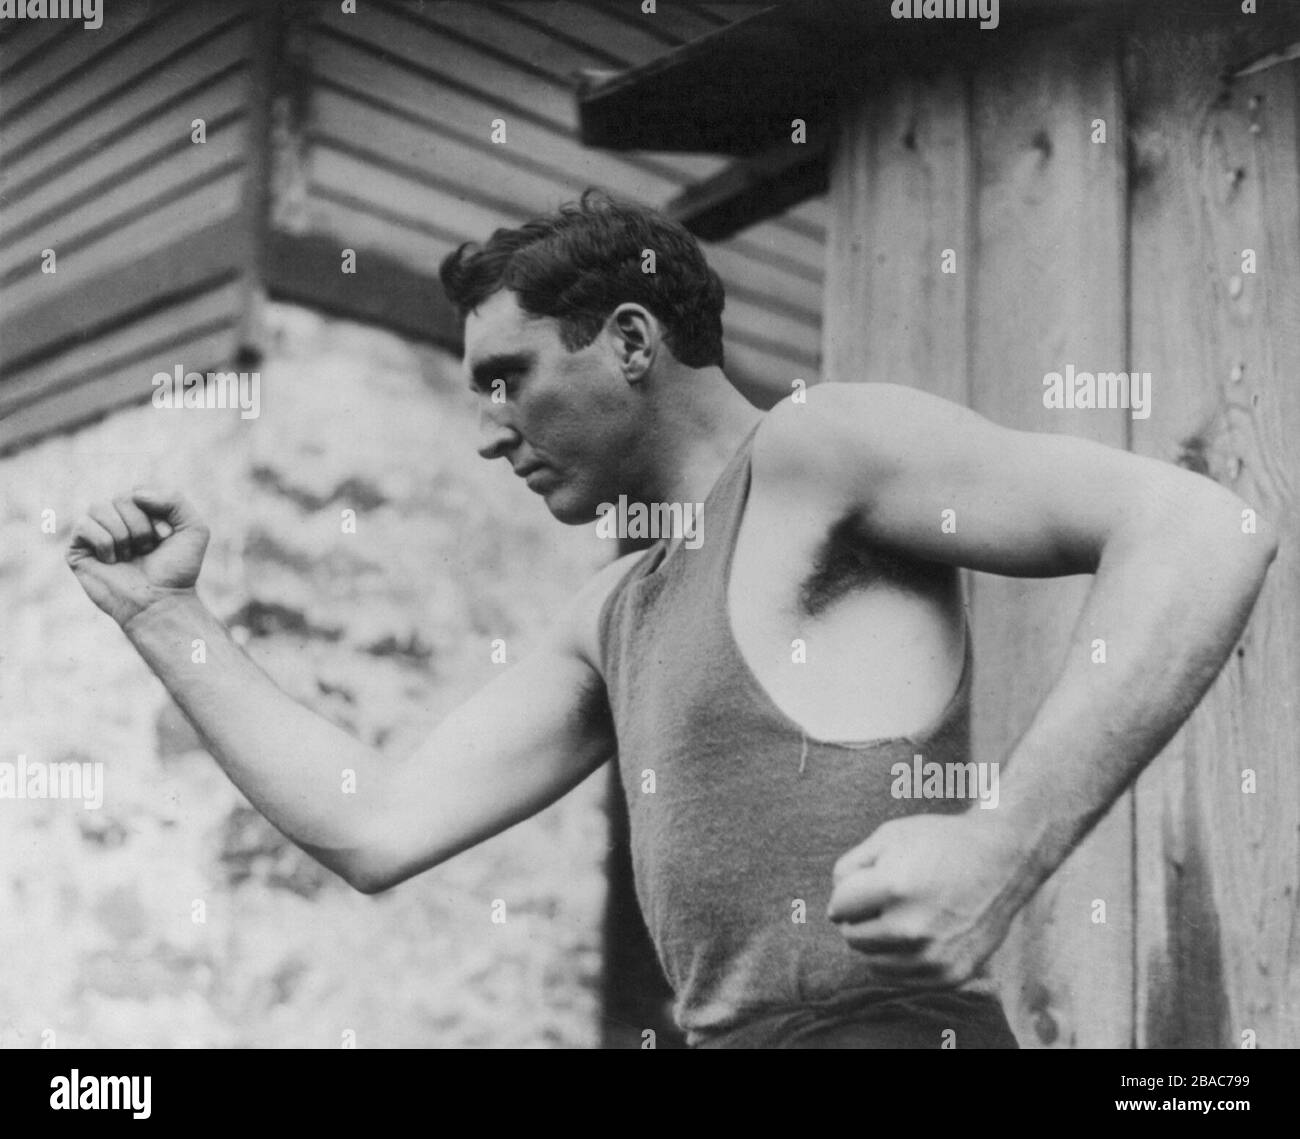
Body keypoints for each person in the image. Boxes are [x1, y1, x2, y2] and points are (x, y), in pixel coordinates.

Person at [67, 191, 1277, 1048]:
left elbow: (1200, 531)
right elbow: (373, 823)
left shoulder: (815, 449)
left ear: (632, 340)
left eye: (507, 377)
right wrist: (162, 612)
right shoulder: (614, 609)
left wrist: (1004, 845)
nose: (489, 430)